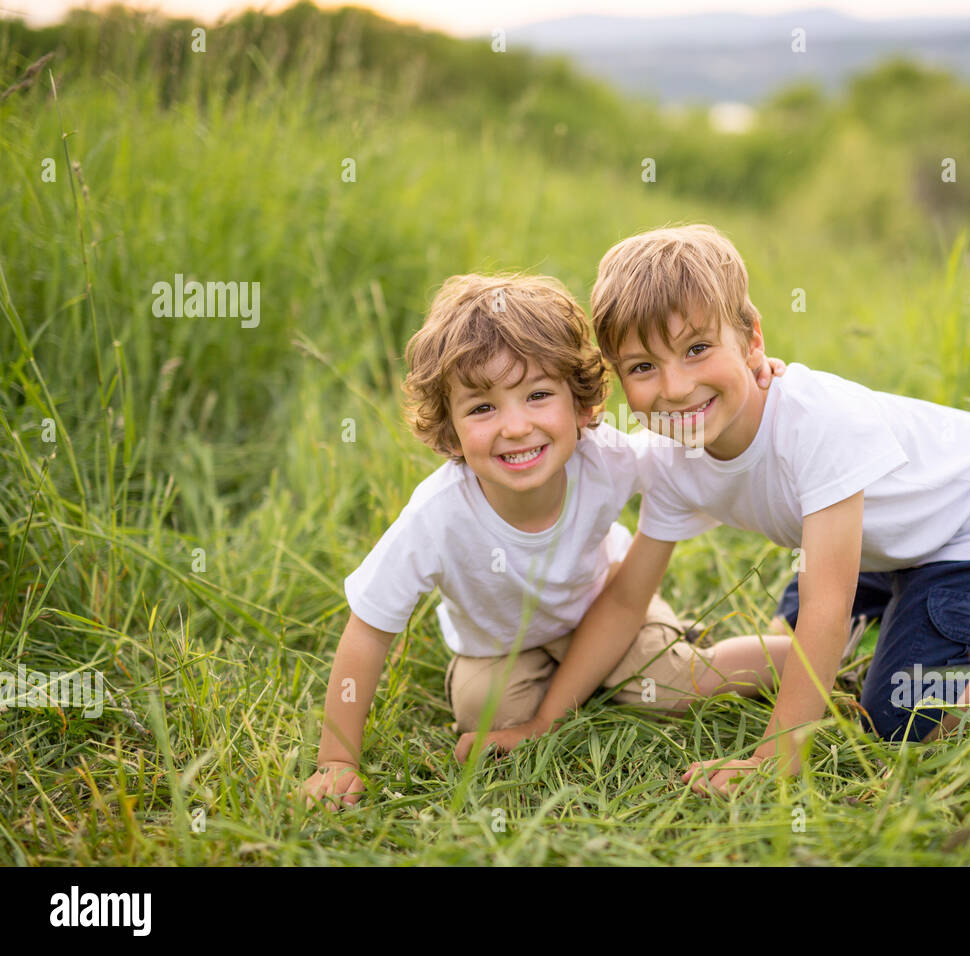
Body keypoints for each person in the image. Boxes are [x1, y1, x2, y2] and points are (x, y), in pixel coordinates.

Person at [458, 224, 970, 796]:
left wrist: (782, 750)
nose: (673, 385)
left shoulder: (814, 424)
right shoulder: (675, 457)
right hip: (897, 546)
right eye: (641, 367)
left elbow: (829, 599)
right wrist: (544, 721)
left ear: (752, 339)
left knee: (900, 706)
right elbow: (629, 598)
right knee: (804, 646)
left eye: (698, 349)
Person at [298, 272, 790, 809]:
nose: (515, 426)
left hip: (608, 610)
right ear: (449, 428)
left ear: (581, 407)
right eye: (483, 407)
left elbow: (694, 442)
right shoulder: (437, 517)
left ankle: (800, 656)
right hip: (503, 644)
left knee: (674, 688)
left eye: (537, 396)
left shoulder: (606, 459)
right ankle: (586, 681)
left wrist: (754, 387)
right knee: (487, 717)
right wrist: (337, 761)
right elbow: (368, 632)